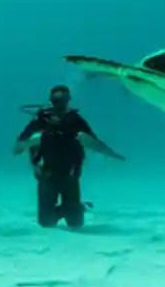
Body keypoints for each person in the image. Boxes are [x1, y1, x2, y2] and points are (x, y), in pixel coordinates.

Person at [13, 85, 124, 229]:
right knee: (46, 223)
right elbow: (18, 146)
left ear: (68, 100)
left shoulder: (76, 120)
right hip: (47, 172)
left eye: (62, 100)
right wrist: (34, 147)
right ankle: (76, 207)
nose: (58, 104)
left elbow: (94, 142)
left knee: (75, 224)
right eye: (55, 100)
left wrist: (113, 155)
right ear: (50, 101)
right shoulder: (41, 120)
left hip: (70, 172)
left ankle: (76, 208)